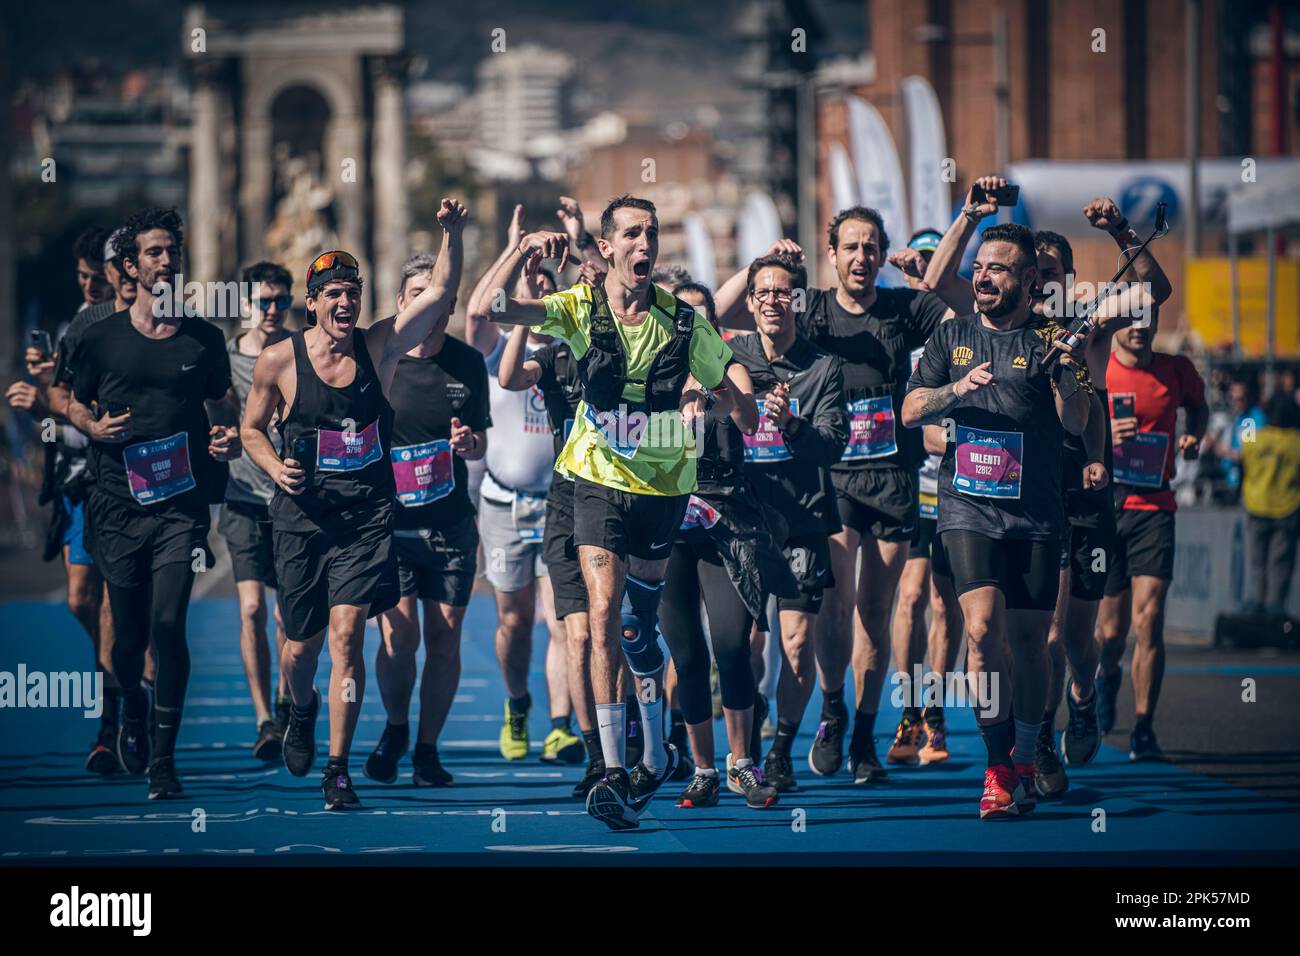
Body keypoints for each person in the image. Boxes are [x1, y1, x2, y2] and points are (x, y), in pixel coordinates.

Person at [484, 194, 751, 830]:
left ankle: (654, 752)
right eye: (631, 233)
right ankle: (609, 771)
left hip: (662, 487)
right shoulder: (579, 307)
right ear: (606, 248)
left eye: (652, 234)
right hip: (594, 478)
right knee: (600, 614)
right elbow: (488, 311)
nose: (645, 244)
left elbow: (734, 399)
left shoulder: (683, 322)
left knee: (636, 628)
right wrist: (520, 257)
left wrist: (708, 404)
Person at [241, 198, 468, 810]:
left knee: (347, 637)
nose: (346, 304)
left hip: (366, 518)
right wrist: (273, 467)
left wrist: (450, 232)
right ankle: (301, 707)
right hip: (302, 519)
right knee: (300, 647)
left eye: (354, 292)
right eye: (334, 293)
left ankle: (337, 770)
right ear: (311, 302)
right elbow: (251, 430)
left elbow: (442, 290)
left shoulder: (380, 349)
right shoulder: (278, 361)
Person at [715, 207, 952, 783]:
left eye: (872, 247)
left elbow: (954, 300)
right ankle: (832, 709)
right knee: (834, 608)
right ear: (833, 254)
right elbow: (716, 313)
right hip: (833, 478)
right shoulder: (810, 307)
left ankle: (864, 738)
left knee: (878, 612)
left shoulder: (900, 309)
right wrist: (766, 265)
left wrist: (959, 226)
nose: (862, 257)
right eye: (850, 246)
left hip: (892, 478)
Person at [903, 222, 1092, 819]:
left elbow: (1078, 422)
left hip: (1036, 514)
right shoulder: (951, 334)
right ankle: (997, 766)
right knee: (982, 631)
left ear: (1029, 281)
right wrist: (955, 388)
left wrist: (1068, 368)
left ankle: (1030, 754)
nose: (982, 277)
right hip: (967, 508)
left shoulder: (1053, 338)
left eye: (998, 269)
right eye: (979, 268)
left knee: (1031, 644)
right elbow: (910, 410)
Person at [66, 207, 242, 800]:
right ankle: (132, 711)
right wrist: (91, 425)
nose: (167, 261)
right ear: (131, 267)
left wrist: (227, 435)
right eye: (154, 253)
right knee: (126, 640)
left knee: (170, 625)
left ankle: (164, 761)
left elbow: (223, 406)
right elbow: (70, 402)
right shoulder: (98, 339)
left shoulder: (204, 339)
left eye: (173, 251)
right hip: (116, 503)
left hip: (180, 506)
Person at [654, 277, 791, 809]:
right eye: (681, 316)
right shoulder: (653, 371)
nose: (690, 326)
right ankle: (704, 770)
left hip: (726, 522)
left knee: (732, 646)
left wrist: (717, 393)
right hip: (668, 524)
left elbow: (751, 419)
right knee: (686, 655)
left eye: (700, 318)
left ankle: (742, 765)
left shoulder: (731, 365)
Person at [5, 226, 130, 775]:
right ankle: (126, 666)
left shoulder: (131, 327)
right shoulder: (70, 328)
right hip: (77, 479)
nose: (87, 287)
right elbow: (61, 411)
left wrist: (58, 397)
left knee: (109, 606)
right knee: (81, 600)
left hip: (120, 478)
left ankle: (112, 722)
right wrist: (40, 400)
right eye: (79, 278)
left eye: (94, 277)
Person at [726, 255, 850, 793]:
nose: (774, 300)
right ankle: (744, 740)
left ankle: (780, 750)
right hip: (742, 522)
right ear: (750, 302)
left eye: (784, 293)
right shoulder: (730, 356)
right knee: (746, 644)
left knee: (796, 644)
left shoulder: (824, 367)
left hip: (803, 518)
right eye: (764, 292)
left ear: (797, 301)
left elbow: (833, 444)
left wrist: (793, 425)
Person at [365, 251, 487, 788]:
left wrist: (468, 443)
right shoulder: (381, 362)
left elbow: (480, 439)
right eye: (418, 295)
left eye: (438, 297)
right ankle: (395, 725)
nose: (428, 306)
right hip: (390, 527)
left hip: (450, 525)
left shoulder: (466, 363)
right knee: (399, 638)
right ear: (401, 303)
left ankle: (426, 749)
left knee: (446, 637)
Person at [466, 210, 583, 765]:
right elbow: (474, 311)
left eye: (545, 283)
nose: (537, 285)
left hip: (561, 504)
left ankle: (561, 725)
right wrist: (513, 250)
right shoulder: (494, 352)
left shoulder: (570, 346)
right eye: (528, 284)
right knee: (513, 622)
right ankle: (518, 704)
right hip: (503, 504)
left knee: (562, 621)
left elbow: (599, 293)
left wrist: (577, 245)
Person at [1096, 308, 1208, 761]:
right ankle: (1105, 676)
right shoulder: (1095, 367)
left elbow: (1198, 408)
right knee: (1111, 630)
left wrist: (1192, 438)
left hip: (1155, 507)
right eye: (1132, 318)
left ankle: (1143, 726)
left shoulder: (1176, 370)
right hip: (1107, 506)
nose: (1140, 327)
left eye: (1149, 318)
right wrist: (1105, 433)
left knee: (1149, 619)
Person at [884, 228, 963, 766]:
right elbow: (903, 418)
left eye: (933, 264)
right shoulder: (901, 330)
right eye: (916, 264)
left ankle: (934, 712)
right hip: (914, 482)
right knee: (910, 598)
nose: (924, 273)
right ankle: (908, 710)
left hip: (960, 486)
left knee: (944, 600)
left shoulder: (963, 328)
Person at [219, 261, 294, 761]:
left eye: (281, 302)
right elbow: (214, 418)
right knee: (251, 609)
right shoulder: (223, 360)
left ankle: (289, 705)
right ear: (245, 303)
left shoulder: (299, 352)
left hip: (291, 498)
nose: (271, 311)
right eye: (263, 302)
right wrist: (220, 437)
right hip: (243, 498)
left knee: (288, 615)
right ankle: (264, 718)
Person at [1241, 392, 1300, 616]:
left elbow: (1242, 448)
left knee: (1257, 563)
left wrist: (1249, 413)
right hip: (1287, 508)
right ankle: (1275, 608)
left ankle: (1257, 602)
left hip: (1256, 505)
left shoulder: (1255, 438)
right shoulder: (1296, 442)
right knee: (1280, 563)